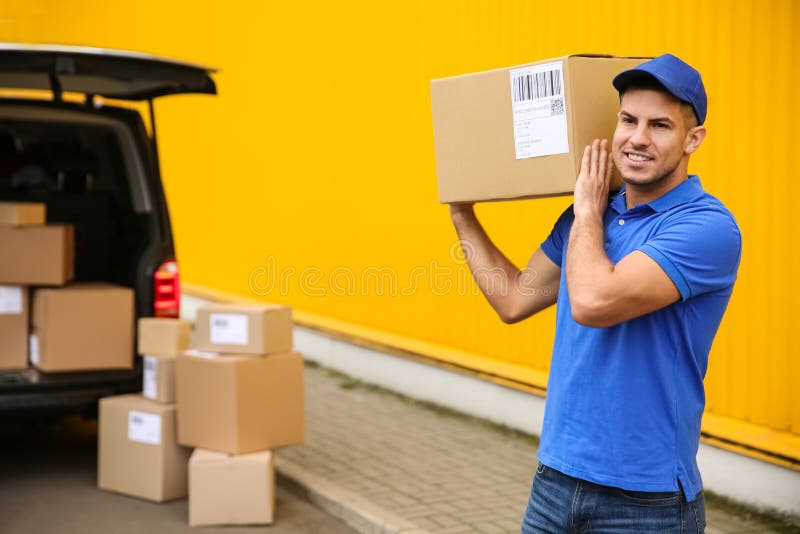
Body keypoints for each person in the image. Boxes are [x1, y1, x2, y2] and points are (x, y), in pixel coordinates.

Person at [448, 54, 741, 533]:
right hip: (555, 479)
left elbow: (592, 303)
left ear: (694, 139)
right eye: (628, 119)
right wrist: (463, 214)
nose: (638, 137)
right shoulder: (590, 217)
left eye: (660, 125)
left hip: (646, 501)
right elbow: (513, 299)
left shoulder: (705, 227)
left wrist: (586, 210)